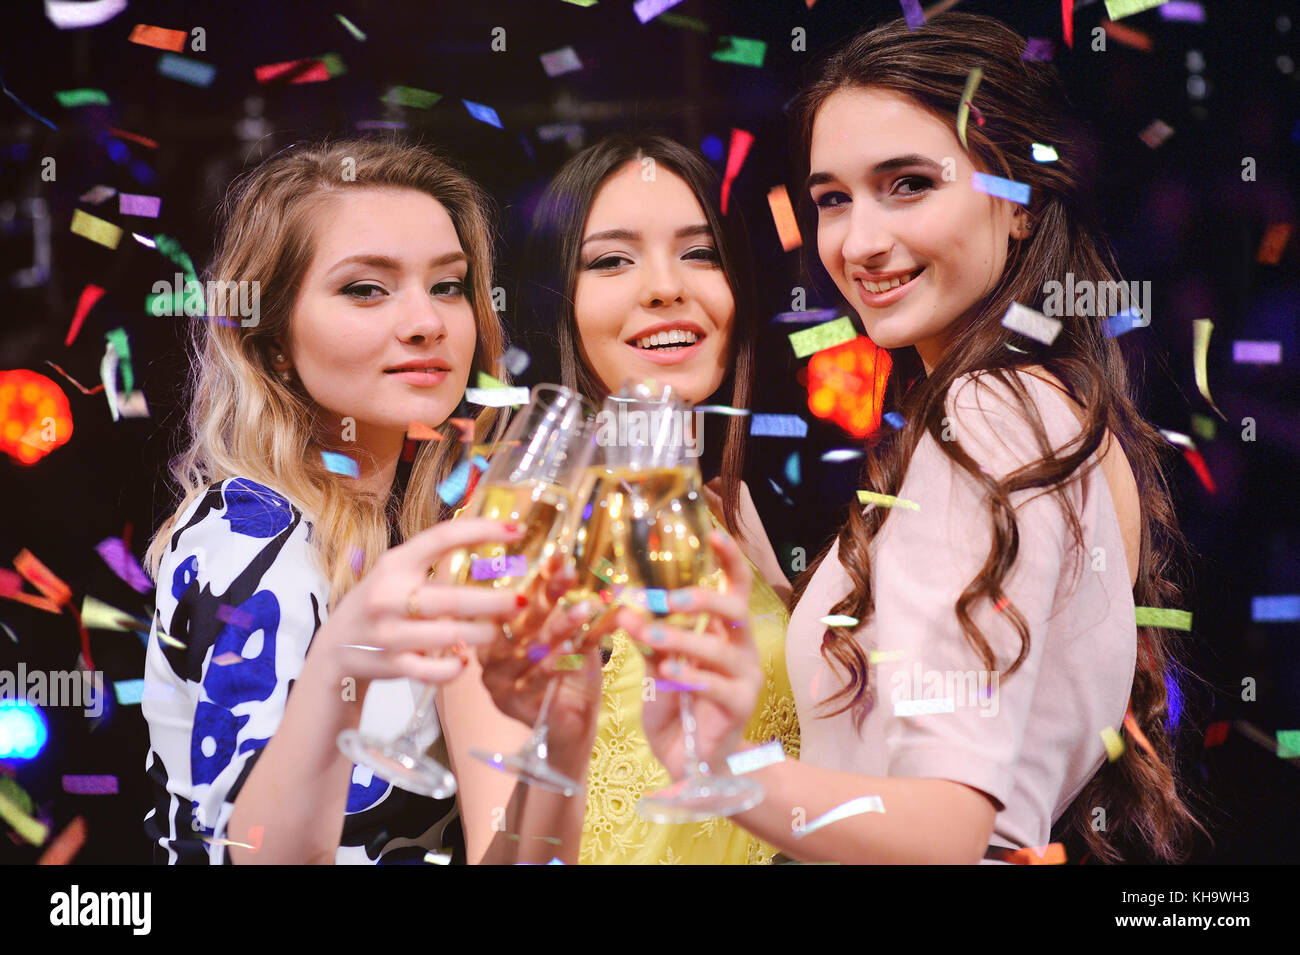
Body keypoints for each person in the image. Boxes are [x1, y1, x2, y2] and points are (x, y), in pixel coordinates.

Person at [617, 13, 1205, 863]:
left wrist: (713, 762)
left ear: (1020, 205)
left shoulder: (992, 414)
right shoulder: (1052, 408)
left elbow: (942, 829)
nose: (860, 242)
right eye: (832, 200)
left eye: (908, 185)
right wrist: (787, 600)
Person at [141, 138, 524, 864]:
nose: (427, 322)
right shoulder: (250, 533)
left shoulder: (423, 525)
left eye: (448, 285)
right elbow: (249, 853)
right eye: (366, 289)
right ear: (274, 342)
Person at [451, 134, 800, 864]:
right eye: (612, 259)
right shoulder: (519, 525)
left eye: (701, 253)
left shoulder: (724, 500)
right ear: (562, 301)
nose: (666, 286)